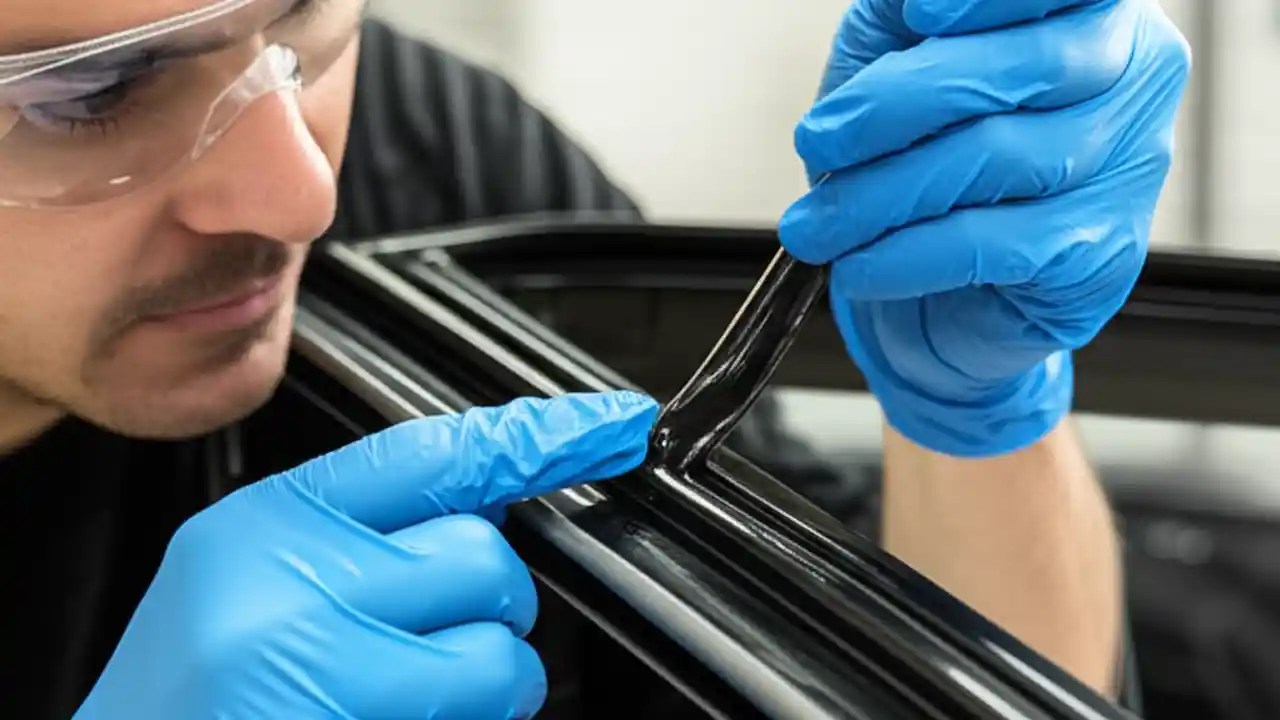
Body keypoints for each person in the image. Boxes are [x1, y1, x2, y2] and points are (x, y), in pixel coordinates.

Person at [0, 0, 1189, 717]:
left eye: (302, 11)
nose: (301, 193)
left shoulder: (443, 171)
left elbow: (873, 675)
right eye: (84, 94)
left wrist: (980, 418)